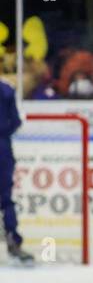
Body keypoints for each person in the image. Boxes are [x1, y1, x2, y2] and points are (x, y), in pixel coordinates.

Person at [0, 76, 34, 265]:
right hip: (2, 149)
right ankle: (13, 242)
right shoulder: (6, 89)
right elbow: (16, 122)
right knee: (5, 199)